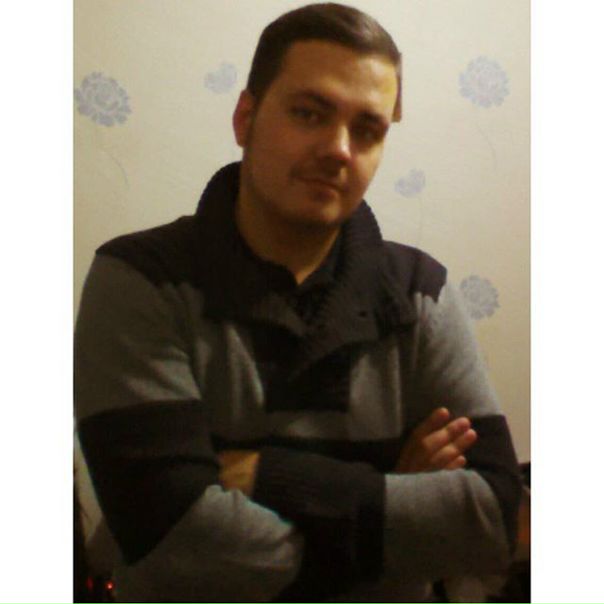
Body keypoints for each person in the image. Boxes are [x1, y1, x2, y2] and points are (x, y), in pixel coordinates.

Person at [75, 3, 522, 601]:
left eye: (368, 129)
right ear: (245, 118)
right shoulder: (139, 279)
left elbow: (495, 519)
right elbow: (173, 540)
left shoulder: (423, 292)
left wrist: (268, 475)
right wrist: (389, 497)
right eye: (309, 113)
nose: (339, 149)